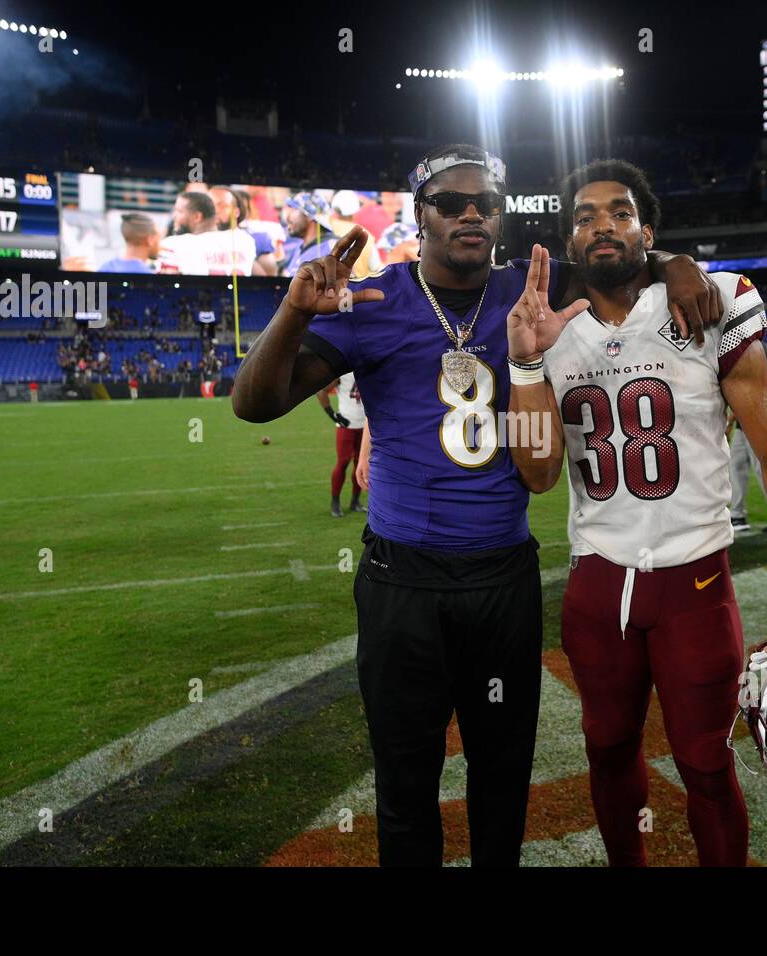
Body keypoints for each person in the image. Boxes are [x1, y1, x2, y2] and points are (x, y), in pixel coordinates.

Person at [232, 142, 723, 867]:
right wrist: (293, 312)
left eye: (485, 204)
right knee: (405, 782)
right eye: (451, 203)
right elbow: (255, 404)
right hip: (403, 583)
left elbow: (621, 257)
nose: (471, 215)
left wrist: (678, 263)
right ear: (420, 214)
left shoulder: (534, 287)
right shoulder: (374, 299)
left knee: (502, 780)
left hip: (502, 581)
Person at [507, 160, 767, 867]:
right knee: (606, 748)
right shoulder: (547, 324)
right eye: (586, 216)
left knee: (705, 762)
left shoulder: (708, 301)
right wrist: (528, 369)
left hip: (694, 583)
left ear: (647, 230)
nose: (603, 225)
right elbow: (536, 473)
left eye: (621, 213)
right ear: (570, 240)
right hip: (598, 585)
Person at [159, 190, 257, 277]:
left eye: (179, 211)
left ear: (198, 216)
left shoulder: (174, 244)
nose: (174, 216)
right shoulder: (246, 240)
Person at [316, 373, 366, 517]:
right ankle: (335, 502)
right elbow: (321, 391)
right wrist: (332, 414)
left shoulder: (368, 368)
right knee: (343, 462)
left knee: (360, 464)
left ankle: (355, 501)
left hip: (366, 426)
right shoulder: (343, 372)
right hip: (346, 424)